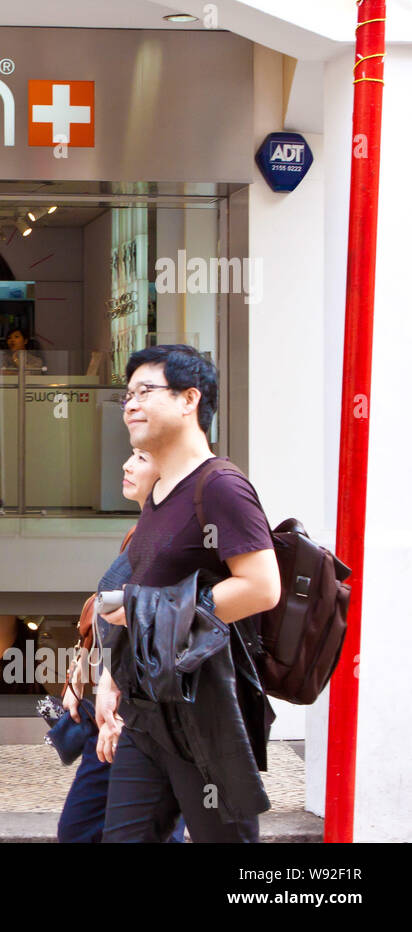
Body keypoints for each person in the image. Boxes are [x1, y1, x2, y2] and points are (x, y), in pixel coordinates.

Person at [97, 345, 279, 842]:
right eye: (127, 395)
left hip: (203, 708)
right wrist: (112, 679)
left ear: (189, 399)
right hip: (147, 709)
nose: (131, 404)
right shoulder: (159, 492)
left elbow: (262, 587)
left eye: (145, 391)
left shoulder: (219, 486)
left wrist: (147, 611)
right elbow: (146, 593)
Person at [56, 449, 184, 843]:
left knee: (142, 831)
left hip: (146, 714)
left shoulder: (174, 542)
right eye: (131, 454)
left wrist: (113, 691)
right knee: (81, 829)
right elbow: (107, 613)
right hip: (114, 710)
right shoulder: (139, 534)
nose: (127, 464)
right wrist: (82, 671)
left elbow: (157, 627)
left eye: (142, 458)